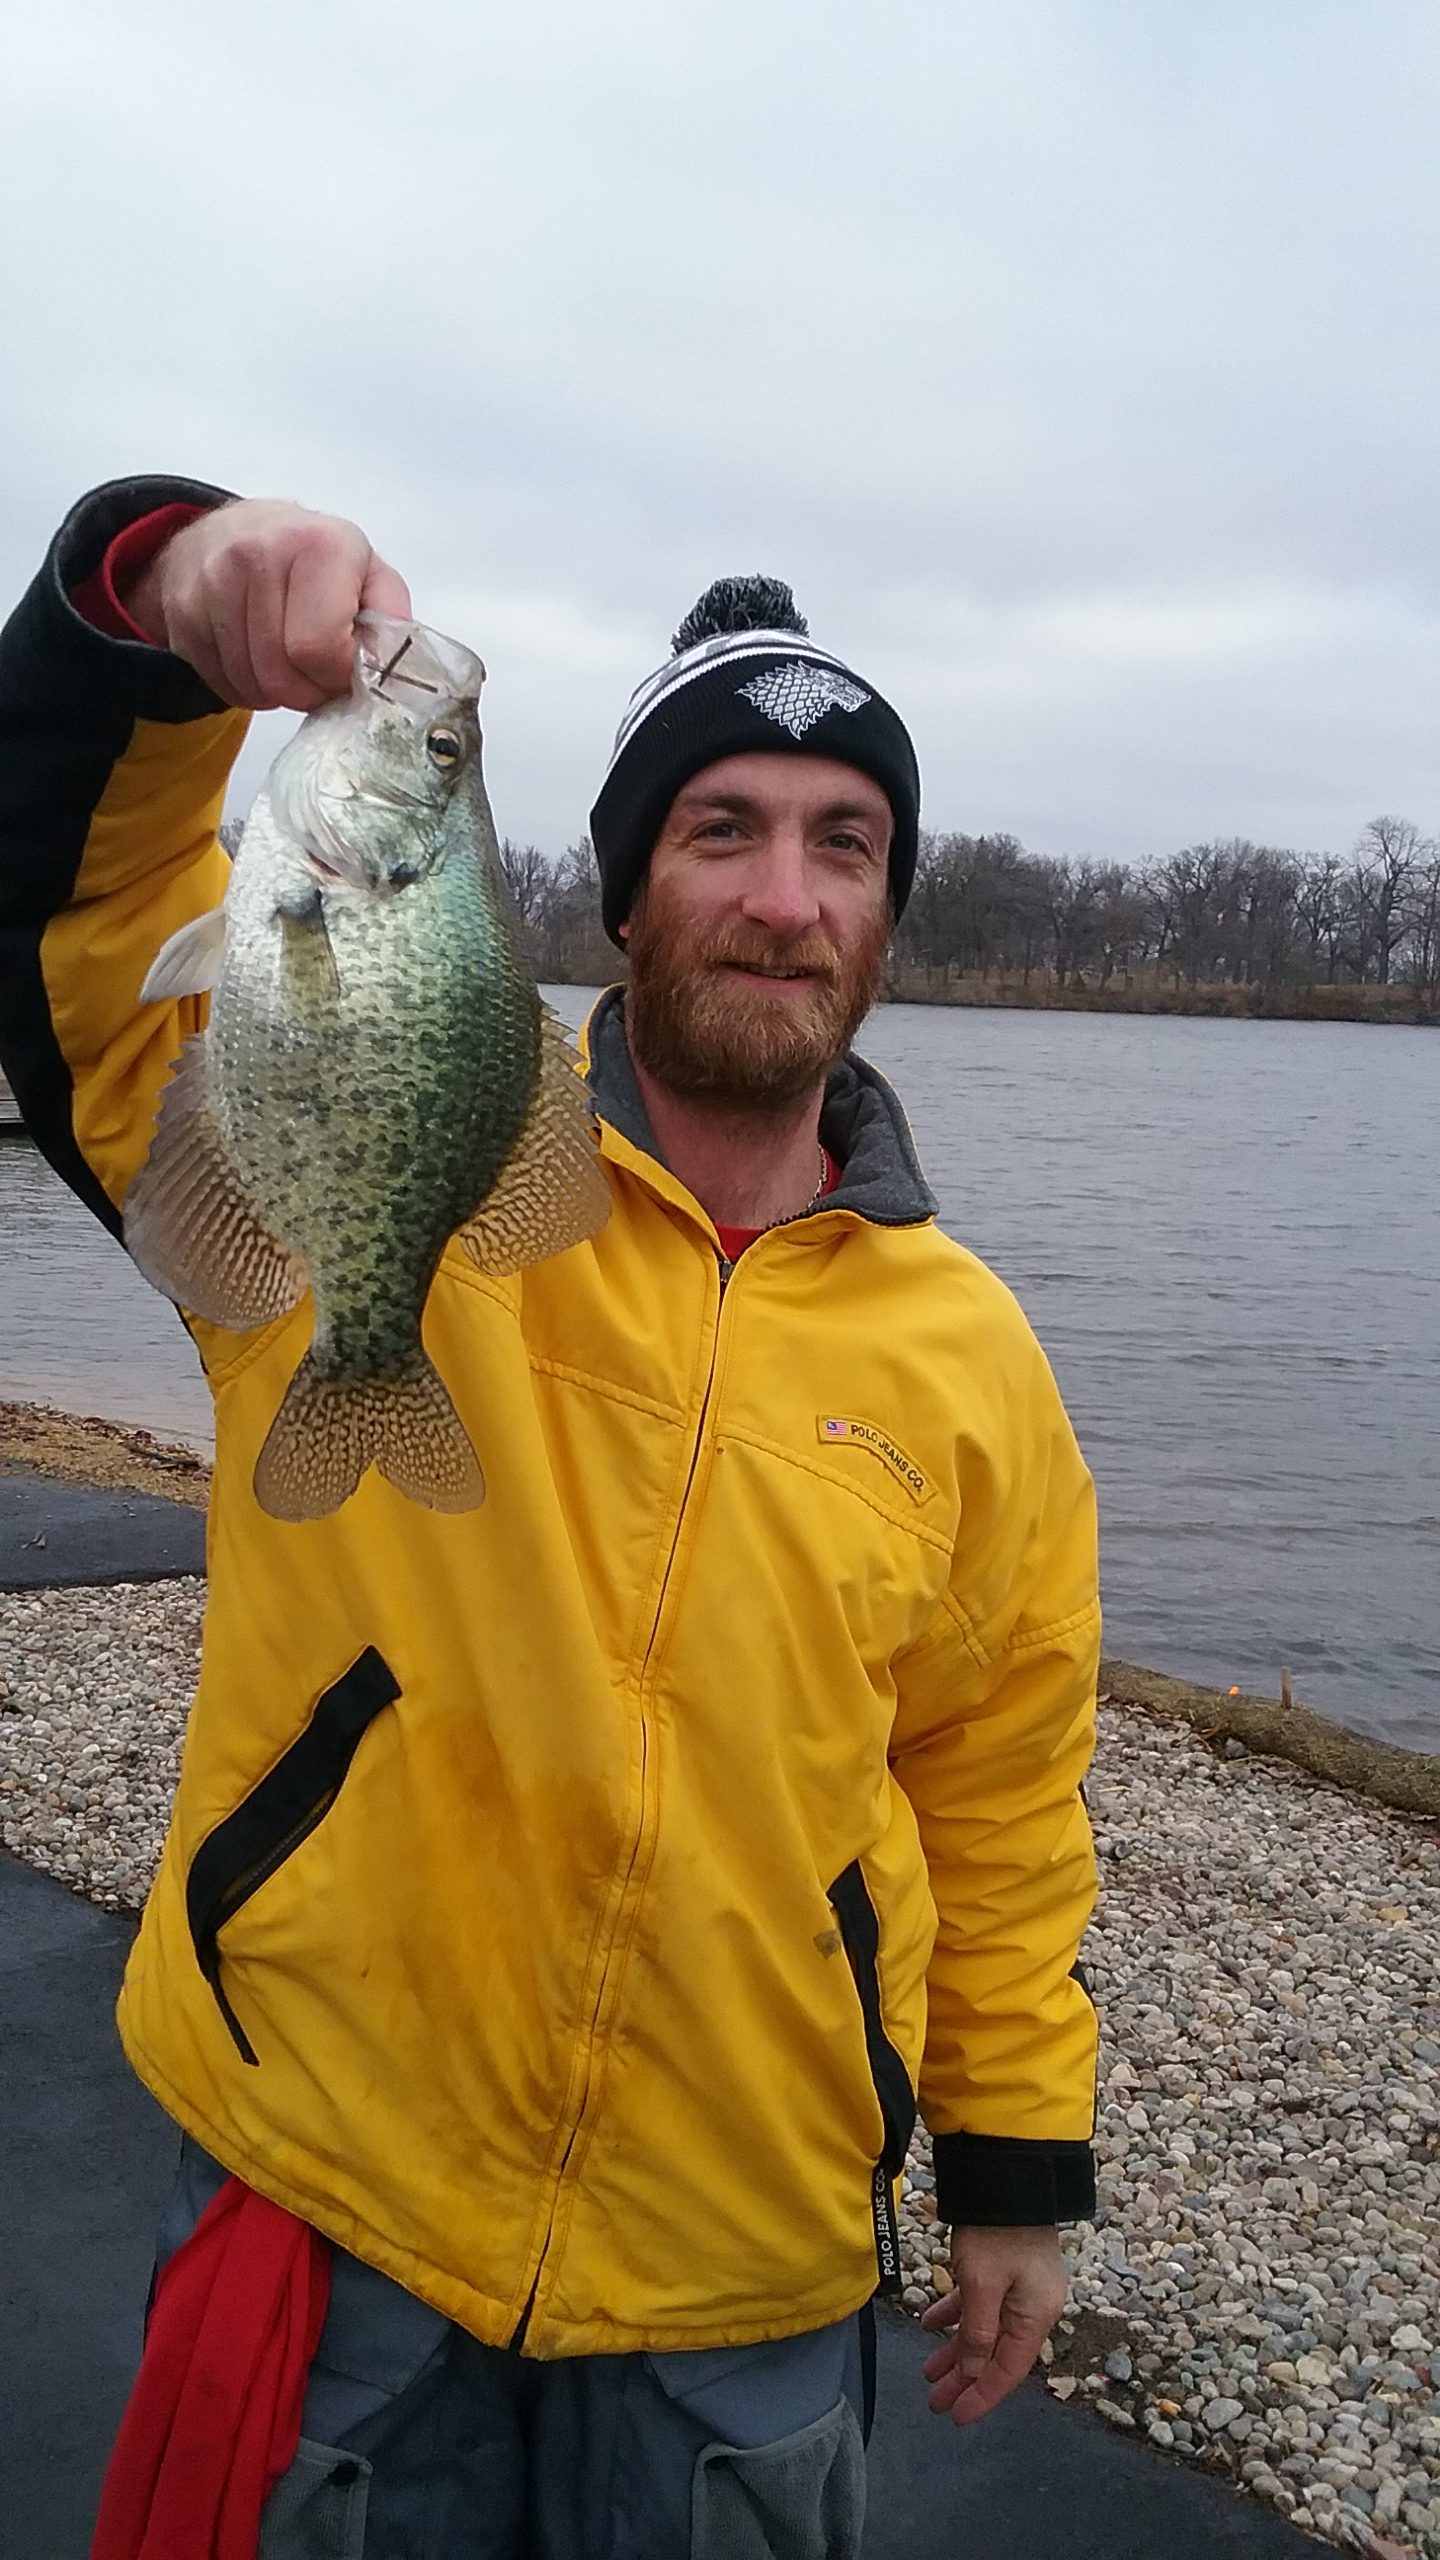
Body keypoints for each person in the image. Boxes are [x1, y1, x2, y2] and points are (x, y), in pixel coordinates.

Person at [0, 478, 1102, 2560]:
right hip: (337, 2190)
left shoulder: (978, 1363)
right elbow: (66, 931)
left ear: (887, 910)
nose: (782, 896)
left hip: (747, 2257)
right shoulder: (390, 1082)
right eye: (720, 830)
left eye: (843, 842)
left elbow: (1002, 1782)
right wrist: (152, 596)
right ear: (623, 890)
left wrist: (1019, 2161)